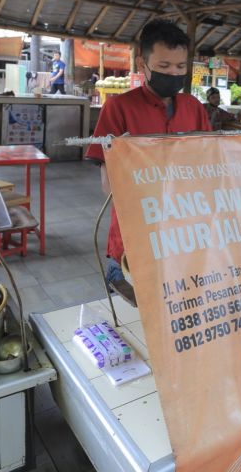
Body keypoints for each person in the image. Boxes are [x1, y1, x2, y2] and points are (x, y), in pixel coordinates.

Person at [84, 19, 211, 283]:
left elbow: (207, 168)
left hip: (185, 240)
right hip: (134, 242)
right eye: (164, 66)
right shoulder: (119, 108)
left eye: (180, 67)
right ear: (143, 65)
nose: (173, 73)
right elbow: (109, 186)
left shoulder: (194, 108)